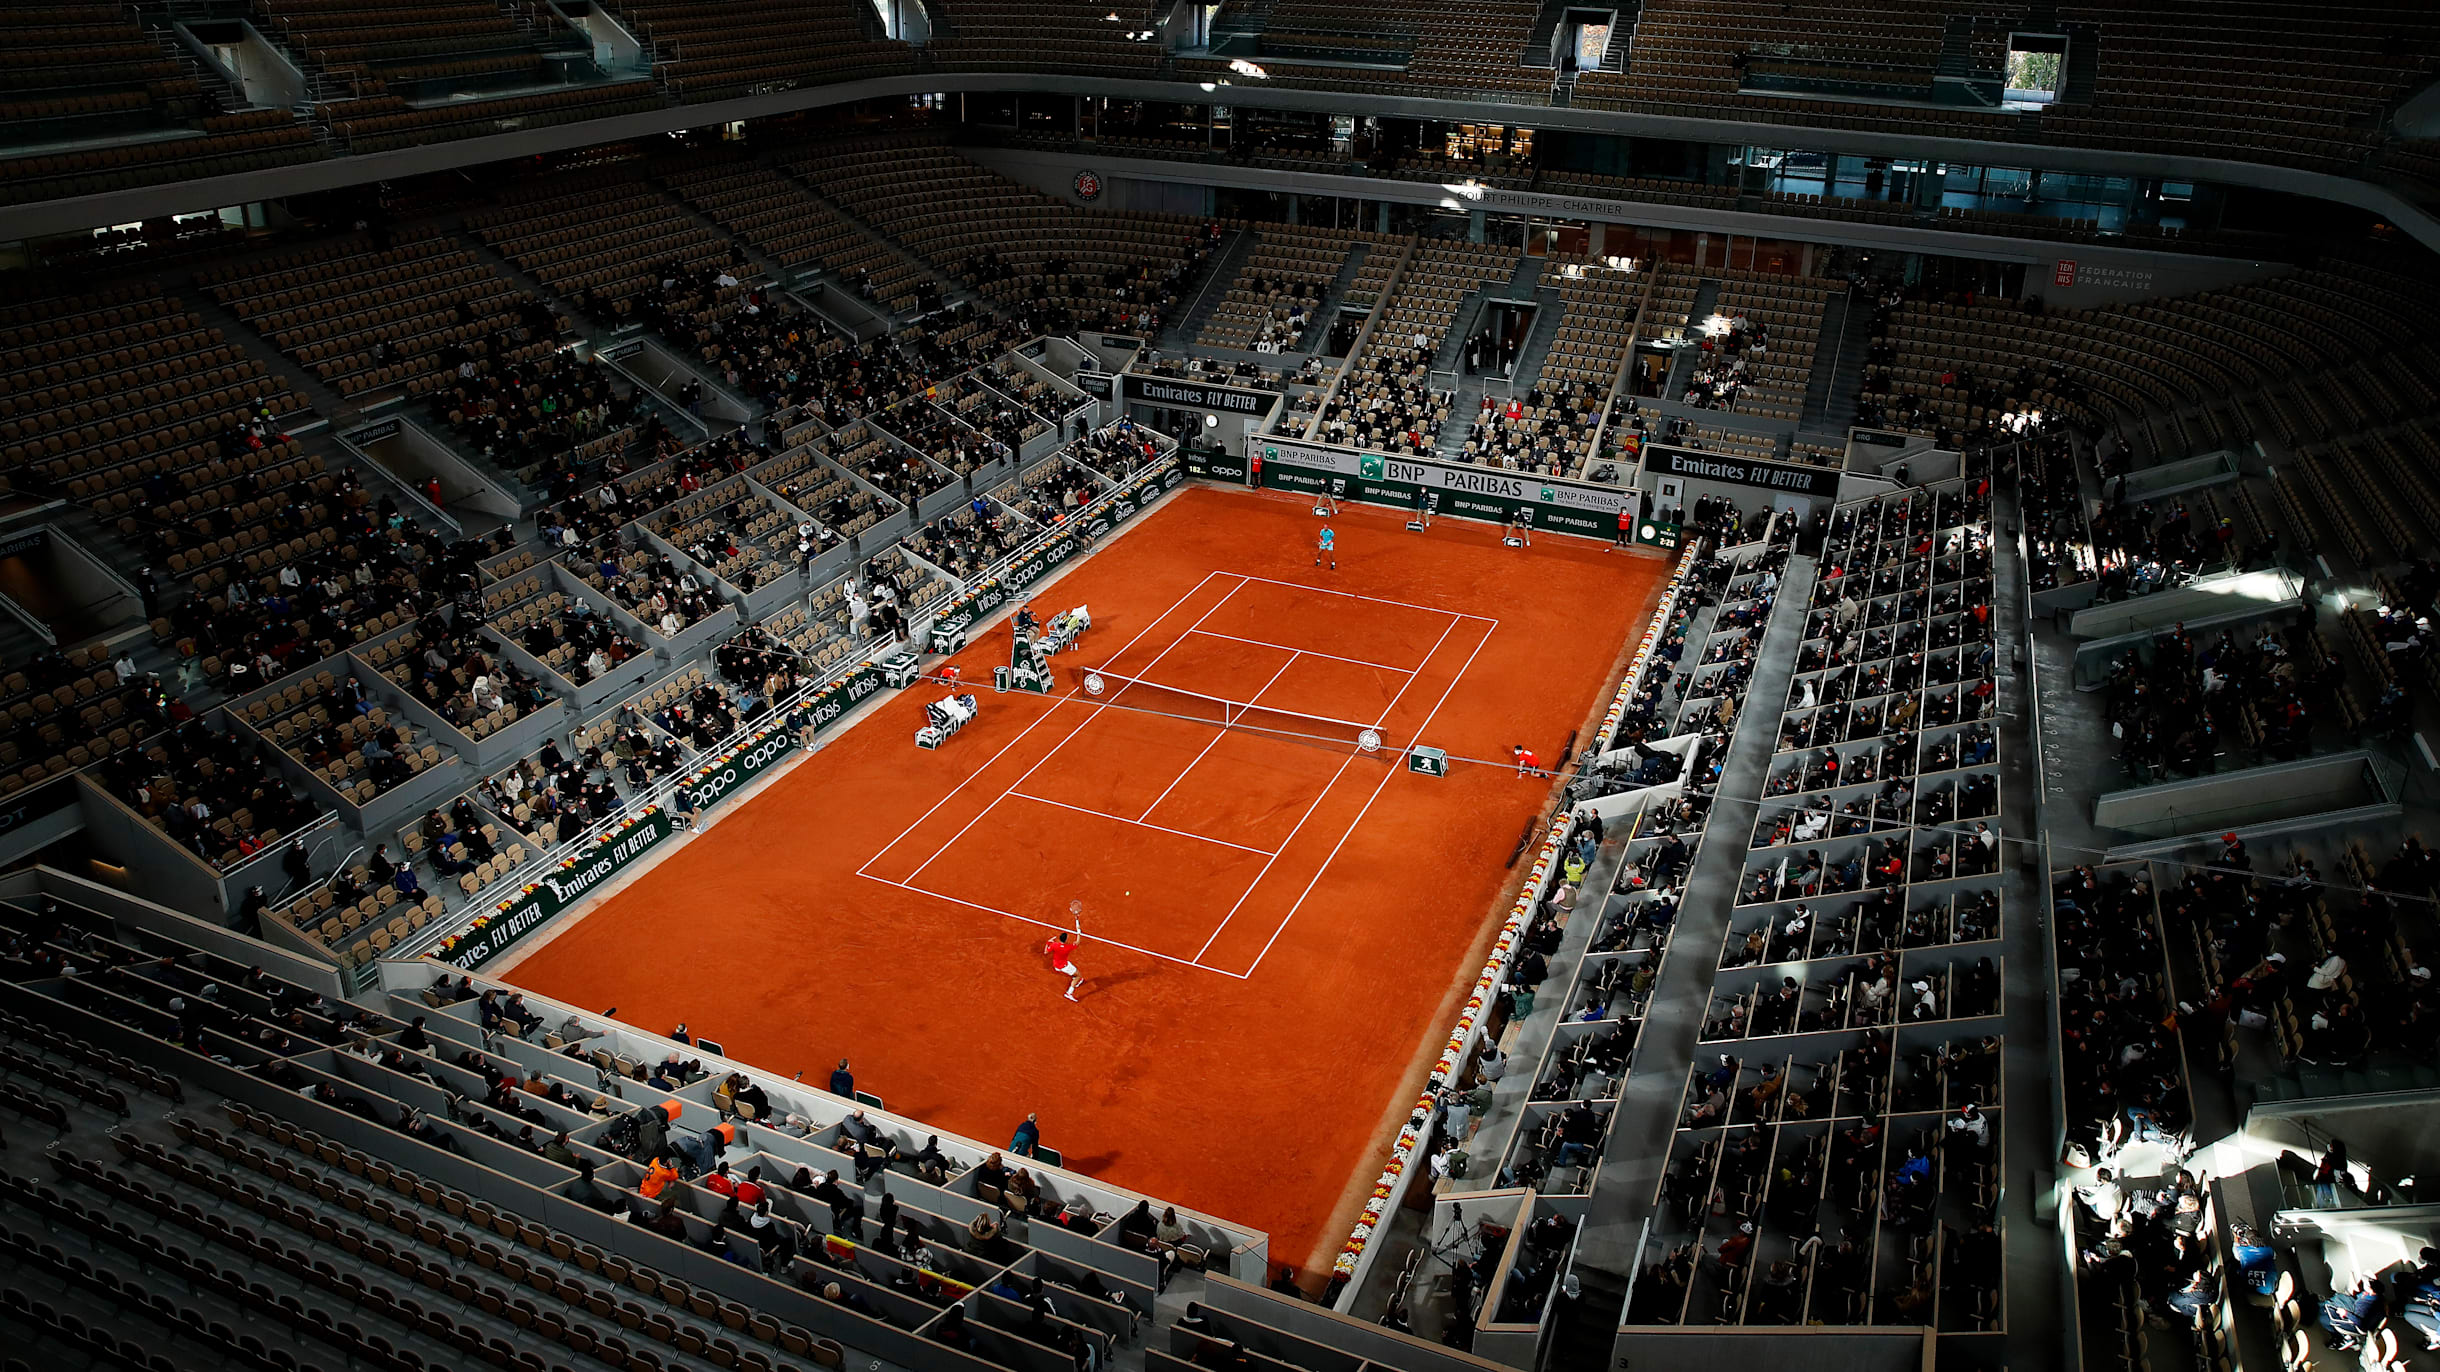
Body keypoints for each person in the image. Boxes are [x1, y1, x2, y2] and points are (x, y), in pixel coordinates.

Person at [1045, 919, 1085, 1001]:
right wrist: (1079, 932)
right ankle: (1069, 993)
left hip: (1056, 965)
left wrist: (1048, 942)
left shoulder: (1054, 945)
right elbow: (1078, 942)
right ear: (1066, 940)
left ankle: (1078, 980)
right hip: (1064, 966)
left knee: (1074, 970)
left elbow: (1046, 951)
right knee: (1078, 975)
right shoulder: (1068, 947)